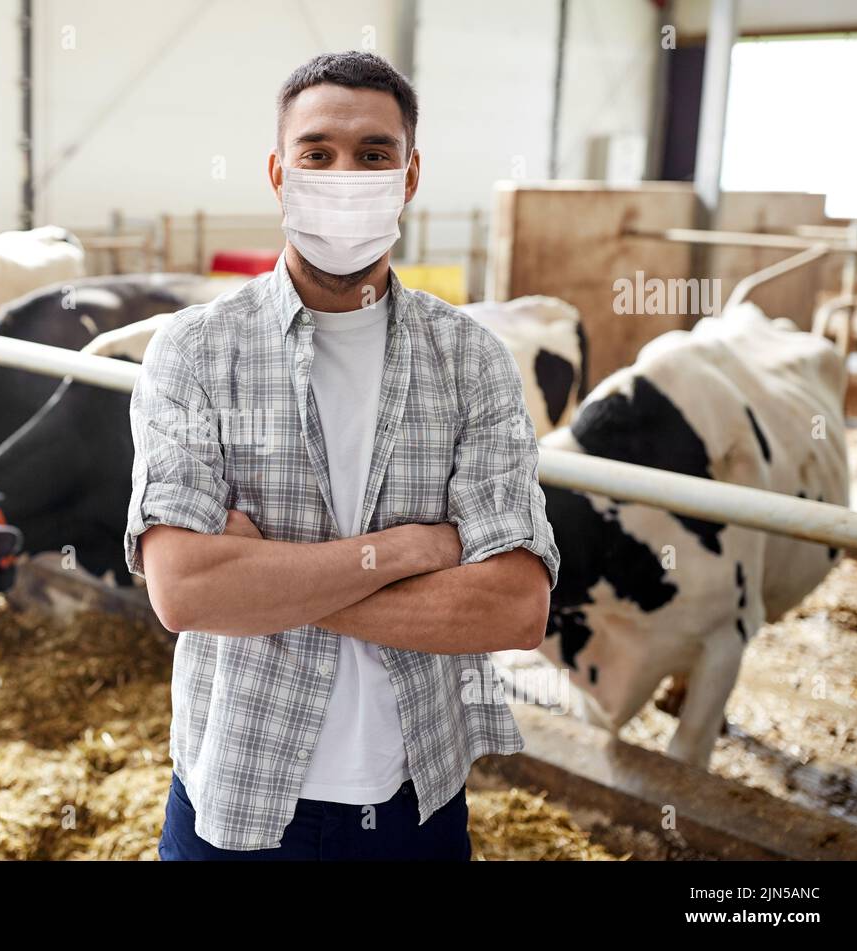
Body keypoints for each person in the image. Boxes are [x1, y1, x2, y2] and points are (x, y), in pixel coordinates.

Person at [124, 50, 559, 861]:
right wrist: (406, 552)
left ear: (411, 173)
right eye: (318, 153)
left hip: (413, 804)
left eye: (373, 154)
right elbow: (183, 590)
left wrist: (262, 581)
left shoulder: (471, 359)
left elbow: (514, 608)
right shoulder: (194, 350)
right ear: (278, 172)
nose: (344, 174)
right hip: (237, 793)